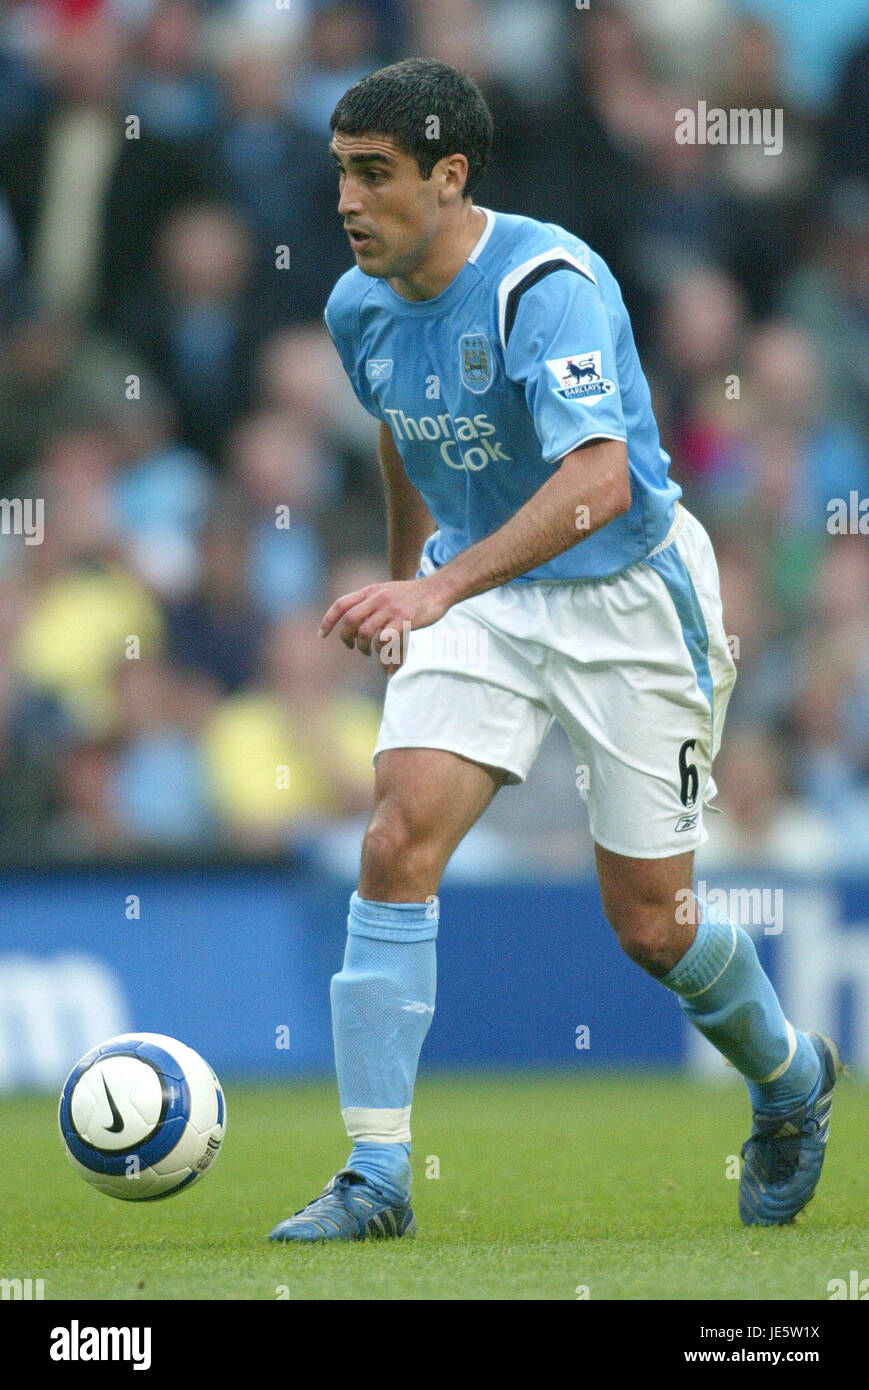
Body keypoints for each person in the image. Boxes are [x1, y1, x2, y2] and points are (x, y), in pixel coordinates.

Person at [268, 59, 842, 1242]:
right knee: (393, 838)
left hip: (623, 597)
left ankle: (786, 1076)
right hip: (478, 594)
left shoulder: (546, 282)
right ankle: (375, 1174)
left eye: (374, 176)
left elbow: (597, 482)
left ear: (450, 175)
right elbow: (402, 427)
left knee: (649, 922)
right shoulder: (355, 304)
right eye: (340, 174)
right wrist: (405, 577)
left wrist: (435, 591)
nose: (347, 201)